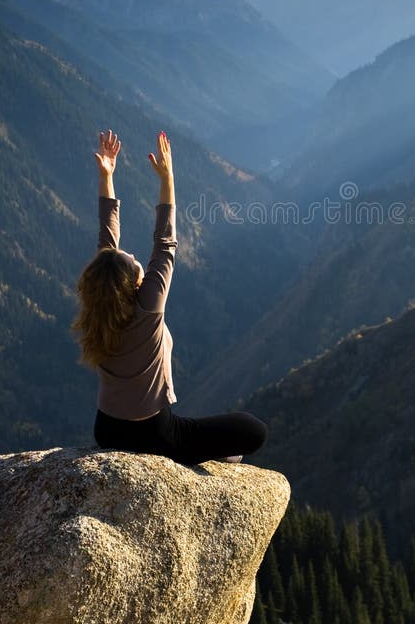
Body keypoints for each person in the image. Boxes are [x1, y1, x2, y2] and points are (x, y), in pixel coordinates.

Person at [71, 128, 268, 466]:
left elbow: (107, 246)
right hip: (154, 433)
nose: (133, 258)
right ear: (133, 285)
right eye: (134, 265)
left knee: (224, 441)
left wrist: (106, 176)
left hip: (106, 430)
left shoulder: (99, 303)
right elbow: (165, 244)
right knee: (253, 431)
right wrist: (168, 178)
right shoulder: (147, 309)